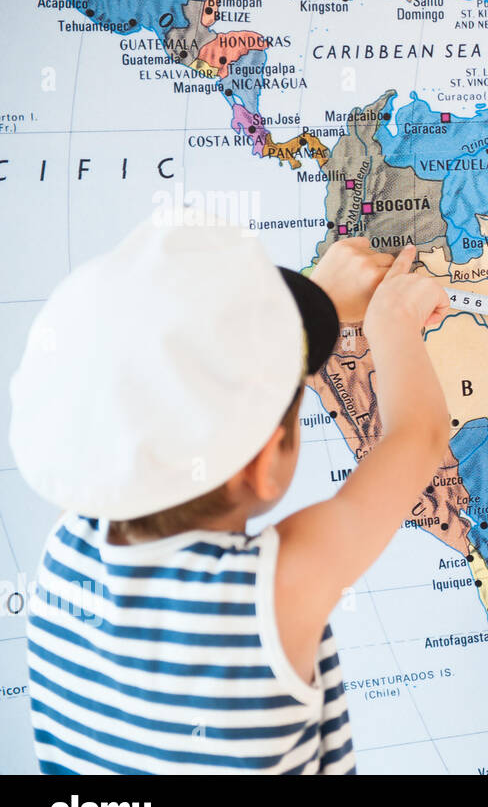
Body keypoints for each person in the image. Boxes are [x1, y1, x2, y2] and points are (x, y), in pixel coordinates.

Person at [10, 217, 450, 774]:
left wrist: (305, 309)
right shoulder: (271, 594)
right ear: (264, 465)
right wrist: (394, 322)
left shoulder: (68, 543)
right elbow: (419, 437)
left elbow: (145, 390)